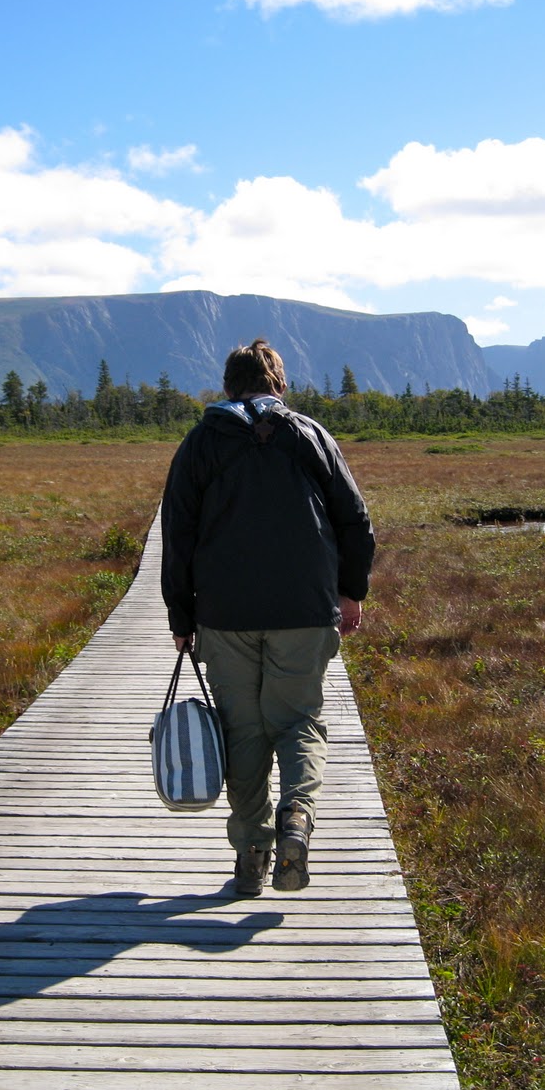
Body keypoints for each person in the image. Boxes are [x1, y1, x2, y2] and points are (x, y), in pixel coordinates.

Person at [160, 339, 375, 896]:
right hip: (304, 610)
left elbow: (178, 535)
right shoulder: (311, 436)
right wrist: (351, 593)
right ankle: (297, 820)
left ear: (228, 386)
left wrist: (181, 617)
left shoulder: (202, 441)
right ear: (277, 384)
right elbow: (355, 520)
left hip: (225, 615)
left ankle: (251, 856)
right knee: (298, 720)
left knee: (244, 731)